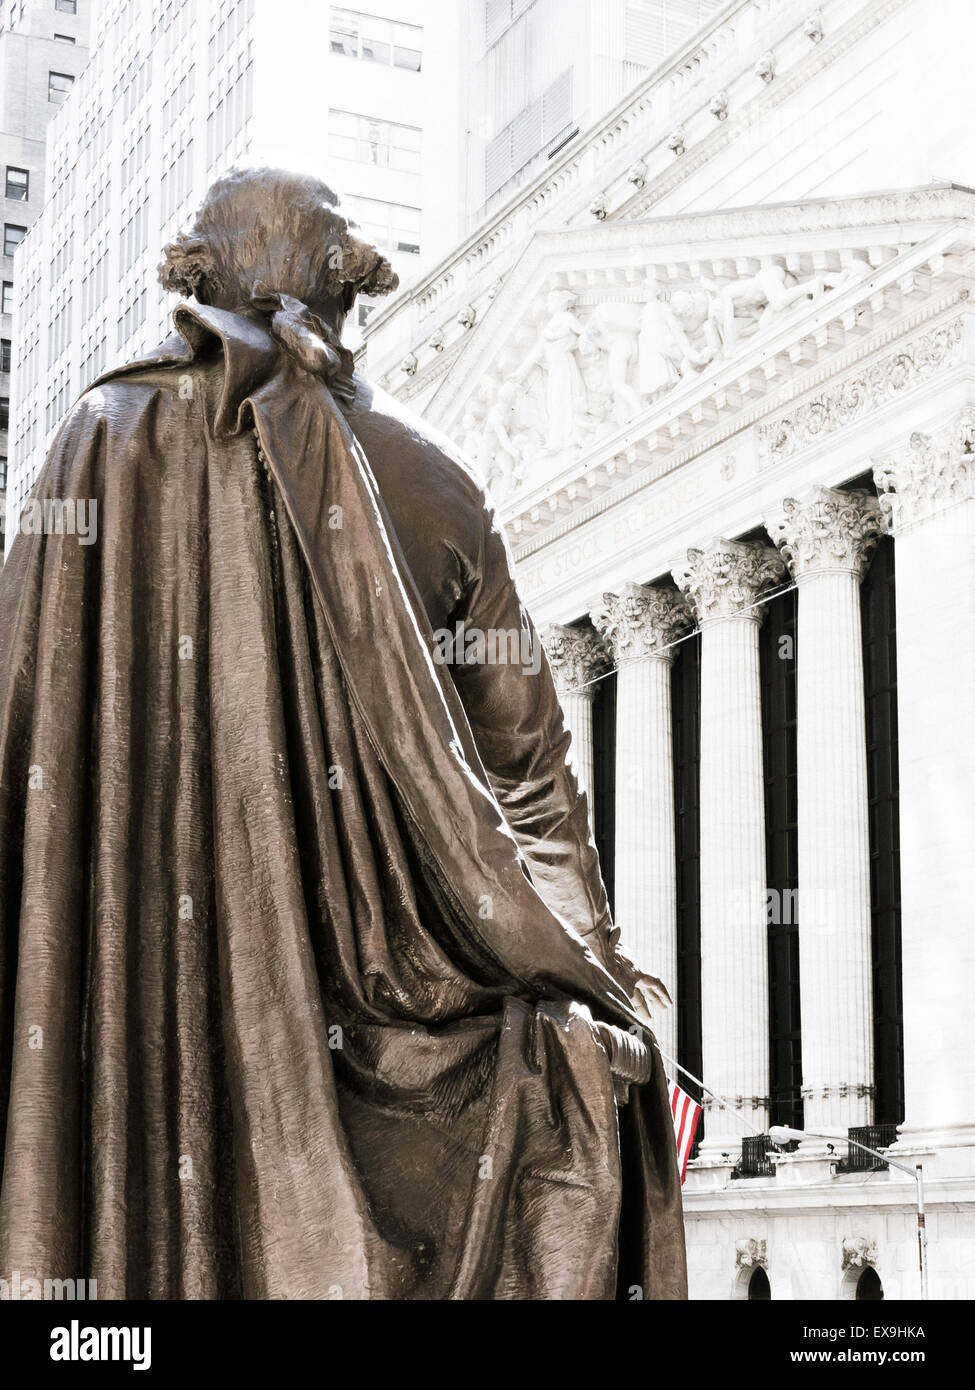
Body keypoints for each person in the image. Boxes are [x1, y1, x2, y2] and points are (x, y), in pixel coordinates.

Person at [0, 168, 685, 1300]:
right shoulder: (437, 479)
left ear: (197, 280)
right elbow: (534, 772)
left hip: (146, 1003)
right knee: (573, 1062)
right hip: (398, 1007)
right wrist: (593, 966)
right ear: (350, 295)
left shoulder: (98, 443)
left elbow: (20, 704)